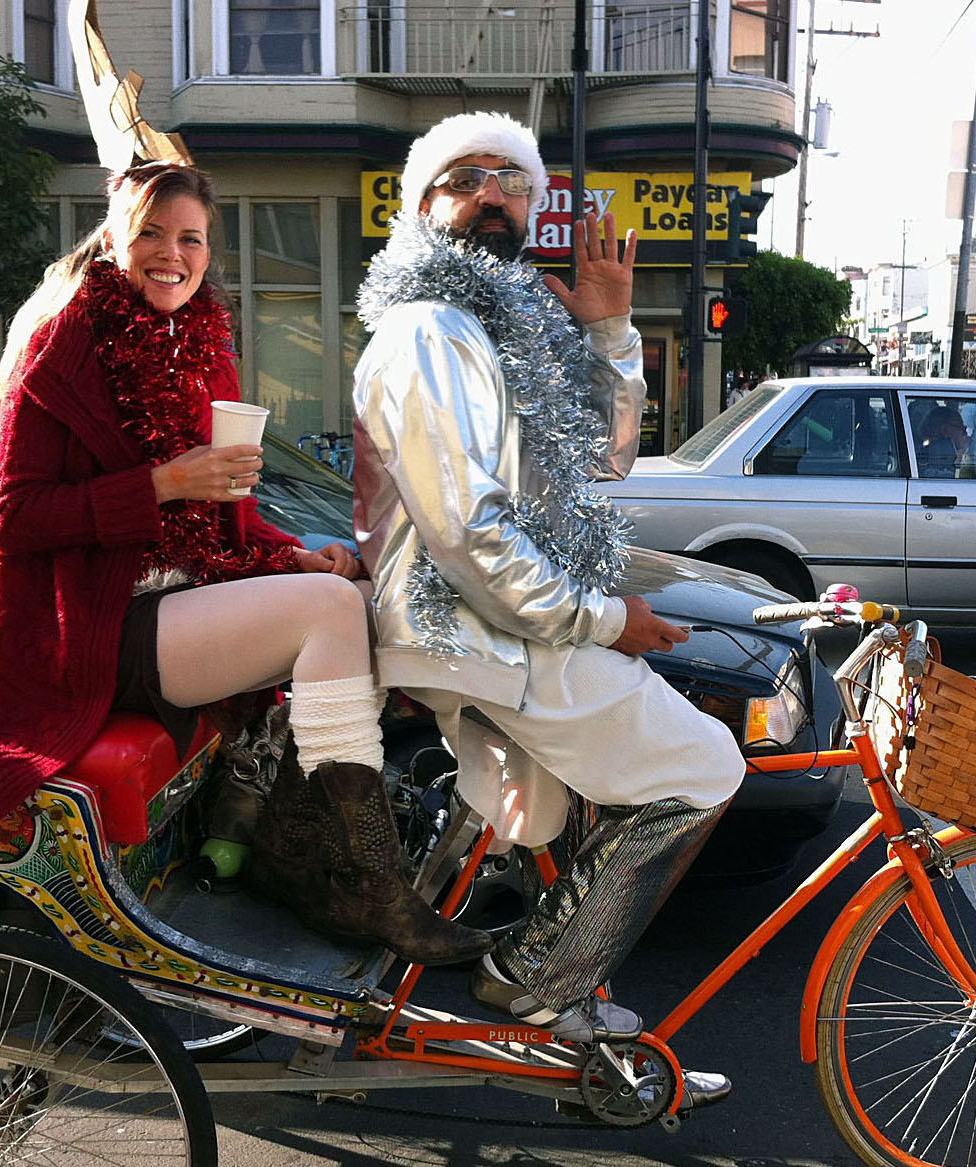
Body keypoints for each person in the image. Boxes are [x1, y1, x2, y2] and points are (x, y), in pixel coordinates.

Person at [0, 160, 491, 967]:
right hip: (97, 633)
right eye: (150, 233)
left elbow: (227, 523)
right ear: (115, 238)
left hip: (182, 607)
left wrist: (294, 554)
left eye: (190, 238)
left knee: (344, 588)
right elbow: (11, 518)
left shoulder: (201, 342)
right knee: (329, 610)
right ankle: (363, 881)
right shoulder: (62, 342)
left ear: (209, 252)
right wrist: (161, 484)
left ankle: (298, 843)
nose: (170, 253)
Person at [350, 113, 744, 1091]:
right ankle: (535, 975)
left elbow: (598, 462)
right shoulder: (429, 328)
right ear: (422, 204)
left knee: (568, 816)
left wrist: (610, 328)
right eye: (465, 178)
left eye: (513, 182)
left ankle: (574, 1022)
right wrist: (609, 621)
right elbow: (470, 531)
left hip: (497, 626)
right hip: (473, 629)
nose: (493, 196)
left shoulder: (497, 328)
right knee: (704, 765)